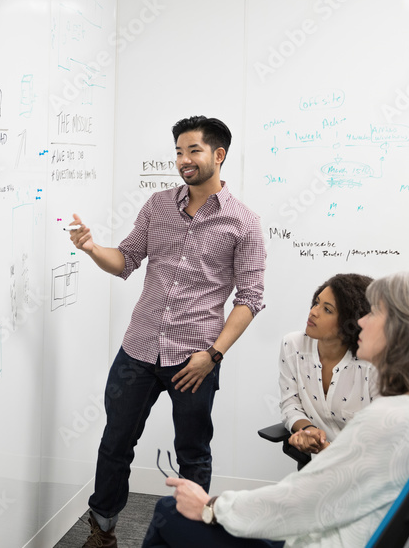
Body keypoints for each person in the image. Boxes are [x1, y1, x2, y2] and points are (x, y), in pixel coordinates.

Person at [141, 271, 409, 548]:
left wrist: (211, 506)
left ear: (405, 332)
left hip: (320, 539)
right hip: (348, 528)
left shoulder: (388, 419)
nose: (362, 321)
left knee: (169, 512)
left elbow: (297, 504)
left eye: (375, 313)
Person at [68, 116, 266, 548]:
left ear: (218, 154)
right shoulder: (157, 206)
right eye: (178, 151)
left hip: (195, 358)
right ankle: (102, 533)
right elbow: (126, 260)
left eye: (193, 150)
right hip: (138, 349)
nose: (183, 160)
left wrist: (213, 355)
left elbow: (250, 298)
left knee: (193, 453)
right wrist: (92, 248)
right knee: (115, 443)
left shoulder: (244, 223)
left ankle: (187, 539)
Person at [279, 274, 377, 461]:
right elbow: (290, 403)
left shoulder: (372, 364)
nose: (313, 312)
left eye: (327, 310)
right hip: (321, 465)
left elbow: (382, 436)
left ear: (352, 321)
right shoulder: (293, 346)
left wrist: (329, 451)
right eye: (316, 303)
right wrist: (308, 431)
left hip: (364, 464)